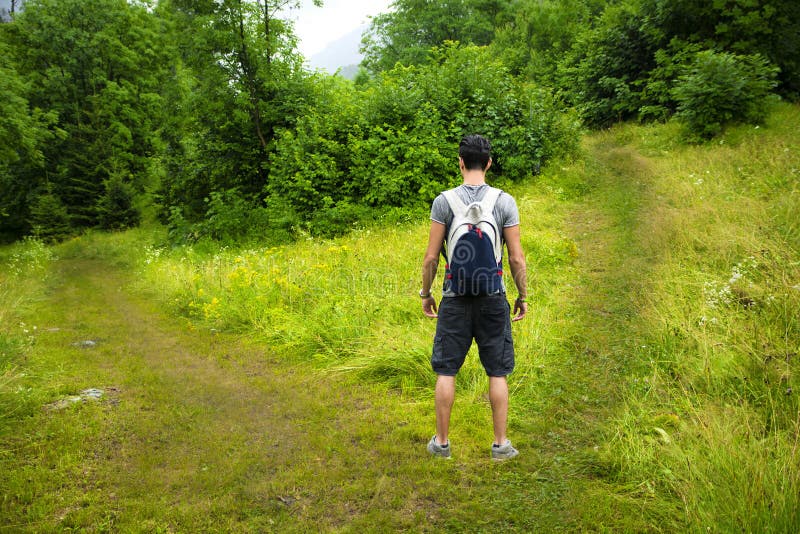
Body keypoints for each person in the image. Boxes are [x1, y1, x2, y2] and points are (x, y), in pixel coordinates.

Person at [420, 134, 528, 461]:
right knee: (497, 371)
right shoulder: (505, 202)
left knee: (446, 370)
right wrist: (522, 295)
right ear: (490, 163)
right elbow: (516, 259)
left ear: (461, 162)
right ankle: (500, 445)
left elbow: (431, 257)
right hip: (493, 297)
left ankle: (441, 443)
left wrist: (426, 293)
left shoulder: (444, 201)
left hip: (454, 296)